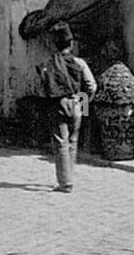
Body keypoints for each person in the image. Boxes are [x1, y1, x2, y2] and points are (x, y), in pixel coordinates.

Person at [36, 23, 96, 193]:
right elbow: (91, 85)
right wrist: (84, 102)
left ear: (55, 44)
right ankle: (69, 177)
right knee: (73, 142)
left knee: (61, 143)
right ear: (71, 44)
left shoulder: (48, 63)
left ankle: (65, 183)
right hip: (78, 104)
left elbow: (41, 89)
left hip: (58, 105)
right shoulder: (79, 62)